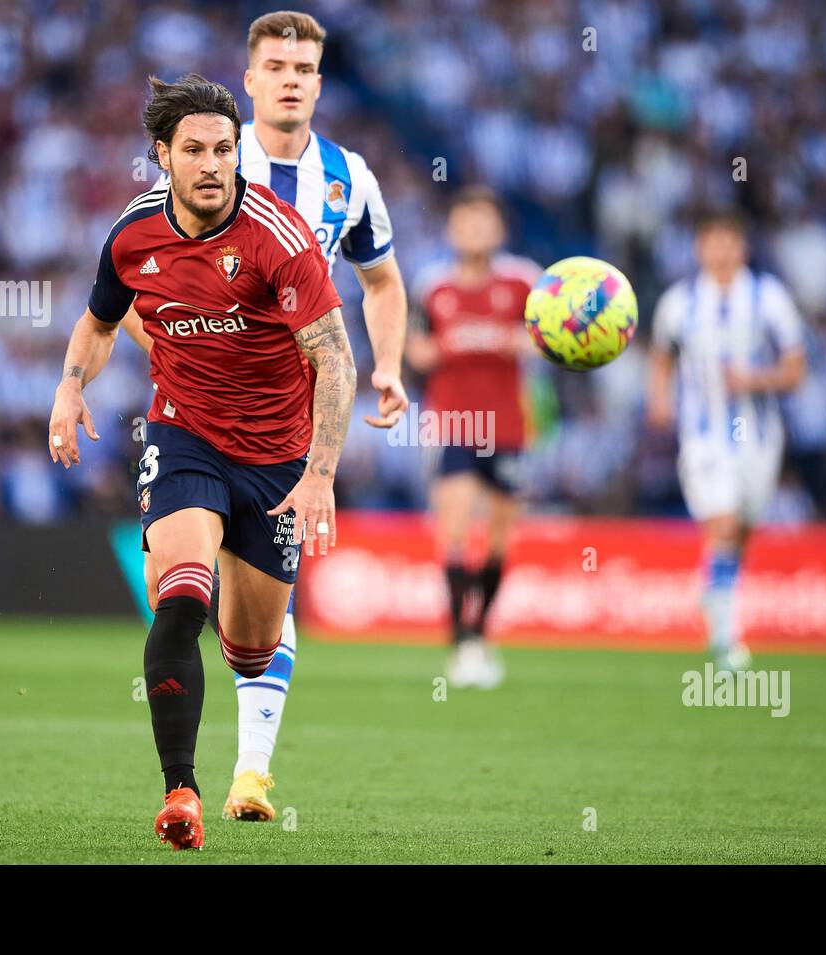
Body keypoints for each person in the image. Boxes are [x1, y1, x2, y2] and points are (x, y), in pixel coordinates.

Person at [48, 73, 356, 850]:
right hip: (183, 436)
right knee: (180, 594)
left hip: (277, 457)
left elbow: (336, 359)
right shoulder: (132, 235)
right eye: (196, 150)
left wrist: (319, 474)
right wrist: (68, 389)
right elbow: (97, 323)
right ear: (162, 156)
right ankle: (179, 790)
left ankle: (248, 645)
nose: (215, 163)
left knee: (251, 648)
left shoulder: (277, 237)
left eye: (225, 147)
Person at [118, 11, 408, 823]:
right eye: (275, 64)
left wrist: (386, 365)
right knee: (188, 590)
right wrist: (185, 353)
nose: (290, 78)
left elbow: (381, 285)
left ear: (320, 82)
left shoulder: (348, 177)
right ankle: (207, 776)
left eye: (305, 68)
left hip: (299, 415)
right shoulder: (206, 156)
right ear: (247, 82)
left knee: (259, 619)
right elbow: (141, 275)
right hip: (202, 419)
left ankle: (251, 769)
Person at [648, 211, 807, 671]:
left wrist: (755, 379)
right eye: (711, 240)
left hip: (759, 437)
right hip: (702, 436)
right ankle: (726, 638)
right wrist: (660, 400)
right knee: (722, 523)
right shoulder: (679, 302)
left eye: (729, 240)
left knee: (741, 529)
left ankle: (714, 591)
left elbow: (796, 370)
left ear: (743, 247)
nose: (720, 250)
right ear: (699, 247)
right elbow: (661, 357)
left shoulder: (768, 297)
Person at [406, 187, 539, 689]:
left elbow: (547, 340)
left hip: (509, 428)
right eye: (466, 222)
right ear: (452, 230)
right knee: (455, 530)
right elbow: (416, 352)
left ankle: (481, 632)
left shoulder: (525, 280)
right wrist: (460, 343)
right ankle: (462, 639)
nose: (475, 231)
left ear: (499, 230)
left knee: (500, 540)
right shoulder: (433, 286)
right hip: (454, 425)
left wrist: (516, 342)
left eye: (484, 222)